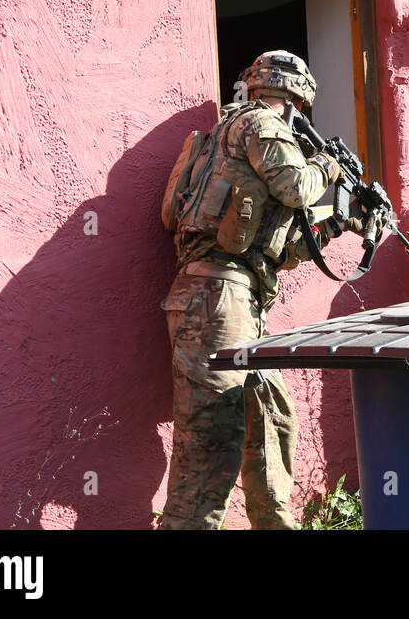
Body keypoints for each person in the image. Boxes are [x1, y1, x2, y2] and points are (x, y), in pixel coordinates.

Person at [157, 49, 354, 529]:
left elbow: (277, 249)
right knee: (211, 441)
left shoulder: (236, 144)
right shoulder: (258, 123)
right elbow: (297, 187)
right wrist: (329, 164)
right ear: (290, 96)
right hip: (215, 299)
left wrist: (340, 223)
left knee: (272, 416)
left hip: (236, 297)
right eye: (299, 110)